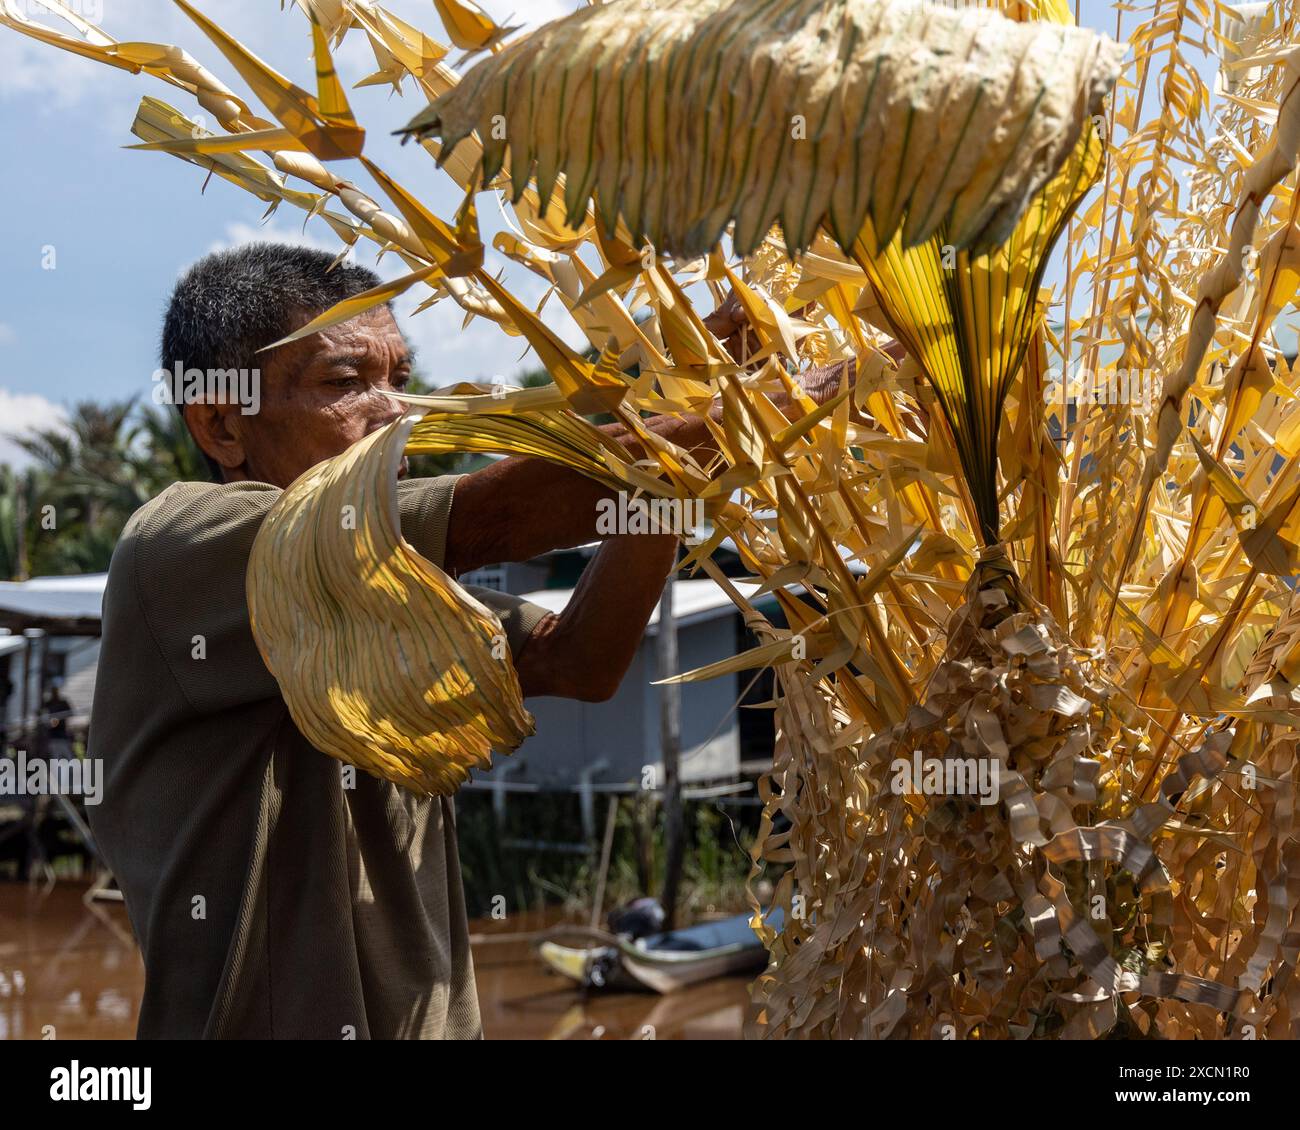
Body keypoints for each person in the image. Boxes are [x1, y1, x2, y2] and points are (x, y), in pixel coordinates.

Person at [88, 243, 845, 1039]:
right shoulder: (179, 547)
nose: (394, 414)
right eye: (345, 383)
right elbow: (496, 515)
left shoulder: (398, 594)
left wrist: (688, 427)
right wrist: (772, 412)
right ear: (220, 422)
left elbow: (577, 658)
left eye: (399, 381)